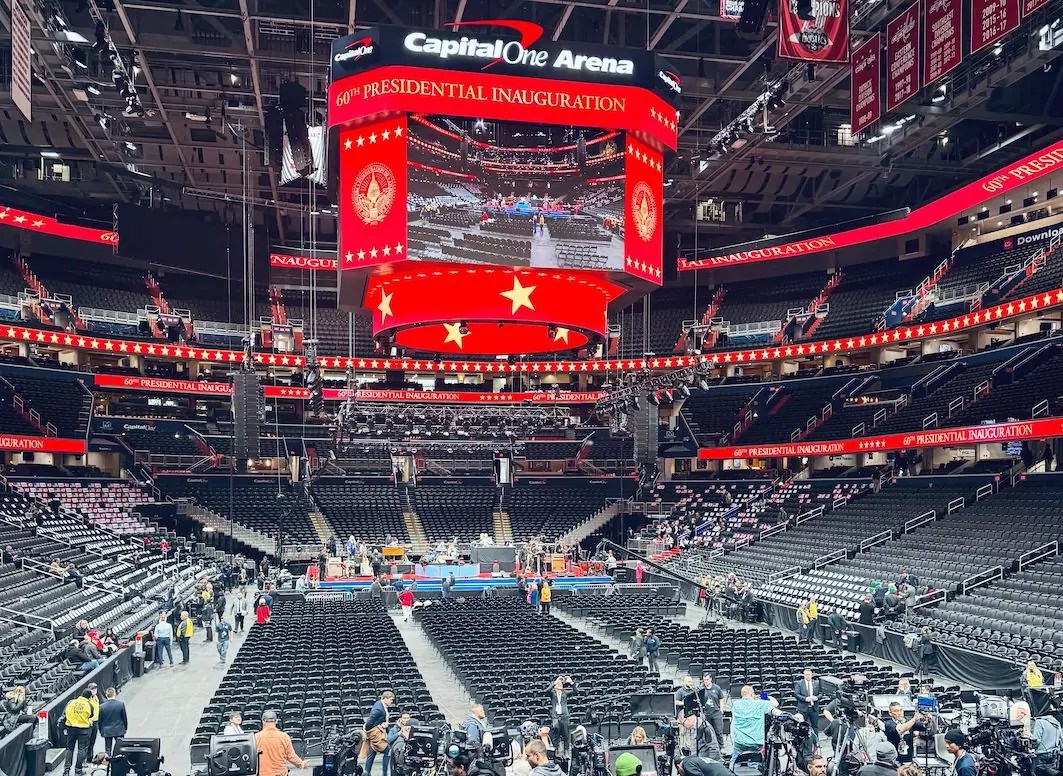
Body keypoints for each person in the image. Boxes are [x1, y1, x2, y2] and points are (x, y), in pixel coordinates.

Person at [730, 685, 779, 770]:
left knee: (734, 761)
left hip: (740, 741)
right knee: (754, 764)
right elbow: (775, 703)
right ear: (752, 694)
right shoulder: (759, 704)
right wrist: (765, 696)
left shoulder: (735, 704)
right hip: (756, 742)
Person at [256, 710, 309, 776]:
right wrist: (301, 764)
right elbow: (291, 756)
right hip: (280, 773)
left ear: (263, 721)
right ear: (276, 721)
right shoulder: (284, 737)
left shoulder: (256, 737)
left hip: (263, 773)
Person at [61, 690, 94, 776]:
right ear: (89, 697)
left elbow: (65, 713)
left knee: (69, 749)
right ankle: (78, 770)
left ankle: (66, 771)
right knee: (81, 749)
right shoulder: (89, 705)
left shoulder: (71, 702)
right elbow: (91, 715)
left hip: (71, 728)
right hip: (83, 729)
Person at [364, 690, 395, 776]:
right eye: (391, 699)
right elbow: (369, 723)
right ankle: (384, 774)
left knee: (372, 752)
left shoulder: (380, 704)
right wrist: (376, 729)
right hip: (376, 733)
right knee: (388, 751)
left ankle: (367, 772)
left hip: (377, 733)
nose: (391, 701)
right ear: (385, 698)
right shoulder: (379, 709)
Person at [695, 673, 728, 746]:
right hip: (706, 713)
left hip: (716, 712)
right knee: (707, 732)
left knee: (719, 731)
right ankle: (708, 747)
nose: (705, 682)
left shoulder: (717, 688)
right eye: (704, 680)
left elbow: (721, 698)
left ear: (710, 679)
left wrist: (721, 709)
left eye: (707, 680)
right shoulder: (700, 689)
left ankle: (721, 747)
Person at [547, 675, 574, 760]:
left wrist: (571, 682)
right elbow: (546, 691)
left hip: (564, 716)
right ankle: (556, 752)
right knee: (556, 735)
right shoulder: (552, 693)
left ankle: (566, 752)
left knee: (566, 735)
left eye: (561, 684)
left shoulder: (565, 693)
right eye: (558, 684)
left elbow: (576, 691)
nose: (559, 685)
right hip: (556, 717)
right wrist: (554, 682)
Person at [794, 669, 823, 737]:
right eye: (806, 674)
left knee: (815, 726)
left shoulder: (817, 683)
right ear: (804, 675)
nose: (807, 676)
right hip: (803, 708)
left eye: (809, 674)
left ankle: (816, 743)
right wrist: (805, 699)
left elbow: (821, 694)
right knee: (802, 726)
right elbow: (796, 694)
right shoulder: (799, 683)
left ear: (811, 675)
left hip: (814, 708)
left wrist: (817, 698)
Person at [98, 688, 127, 755]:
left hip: (107, 731)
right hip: (119, 730)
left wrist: (101, 730)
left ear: (106, 695)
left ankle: (108, 764)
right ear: (115, 694)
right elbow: (124, 718)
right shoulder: (120, 704)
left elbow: (100, 720)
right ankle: (119, 762)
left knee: (108, 748)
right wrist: (125, 728)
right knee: (120, 747)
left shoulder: (102, 706)